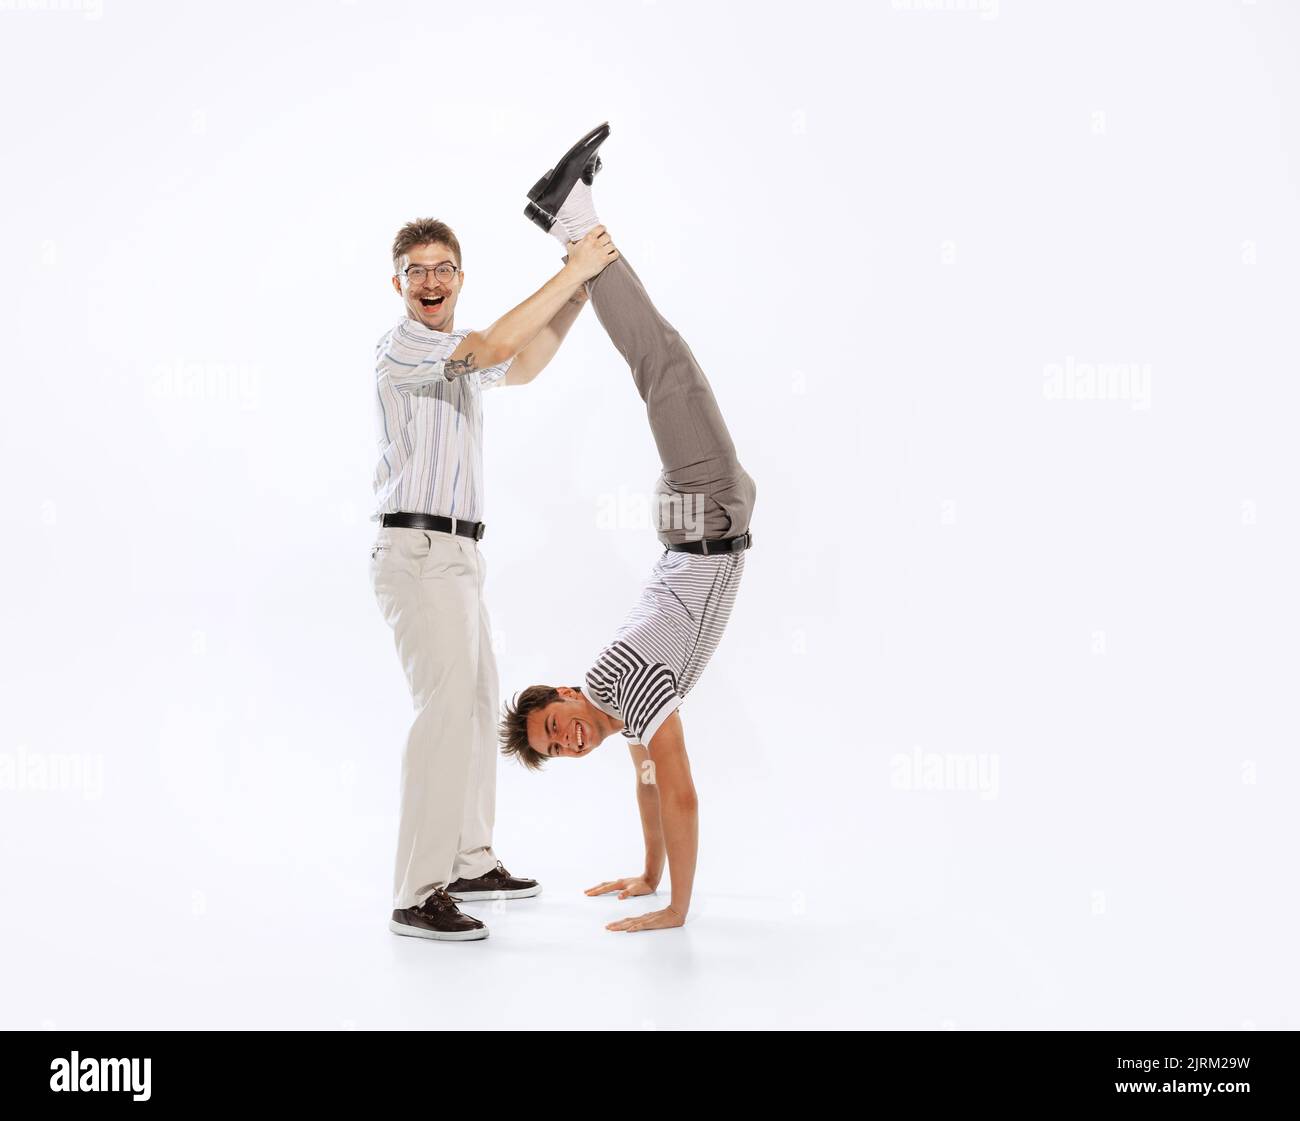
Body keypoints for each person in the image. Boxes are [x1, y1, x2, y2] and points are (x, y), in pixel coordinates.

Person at [500, 124, 756, 934]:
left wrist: (676, 906)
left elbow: (678, 788)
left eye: (555, 723)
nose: (570, 738)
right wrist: (646, 874)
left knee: (659, 362)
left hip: (706, 510)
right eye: (562, 747)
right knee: (660, 361)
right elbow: (646, 779)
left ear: (566, 691)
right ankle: (573, 218)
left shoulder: (629, 690)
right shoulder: (622, 707)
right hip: (690, 523)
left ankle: (572, 216)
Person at [370, 134, 619, 941]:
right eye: (418, 271)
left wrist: (582, 288)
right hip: (417, 554)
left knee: (476, 707)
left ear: (460, 277)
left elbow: (525, 363)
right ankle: (417, 890)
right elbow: (497, 346)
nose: (432, 281)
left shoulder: (457, 351)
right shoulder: (405, 347)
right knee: (443, 713)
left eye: (445, 268)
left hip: (460, 555)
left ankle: (471, 858)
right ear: (399, 283)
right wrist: (572, 267)